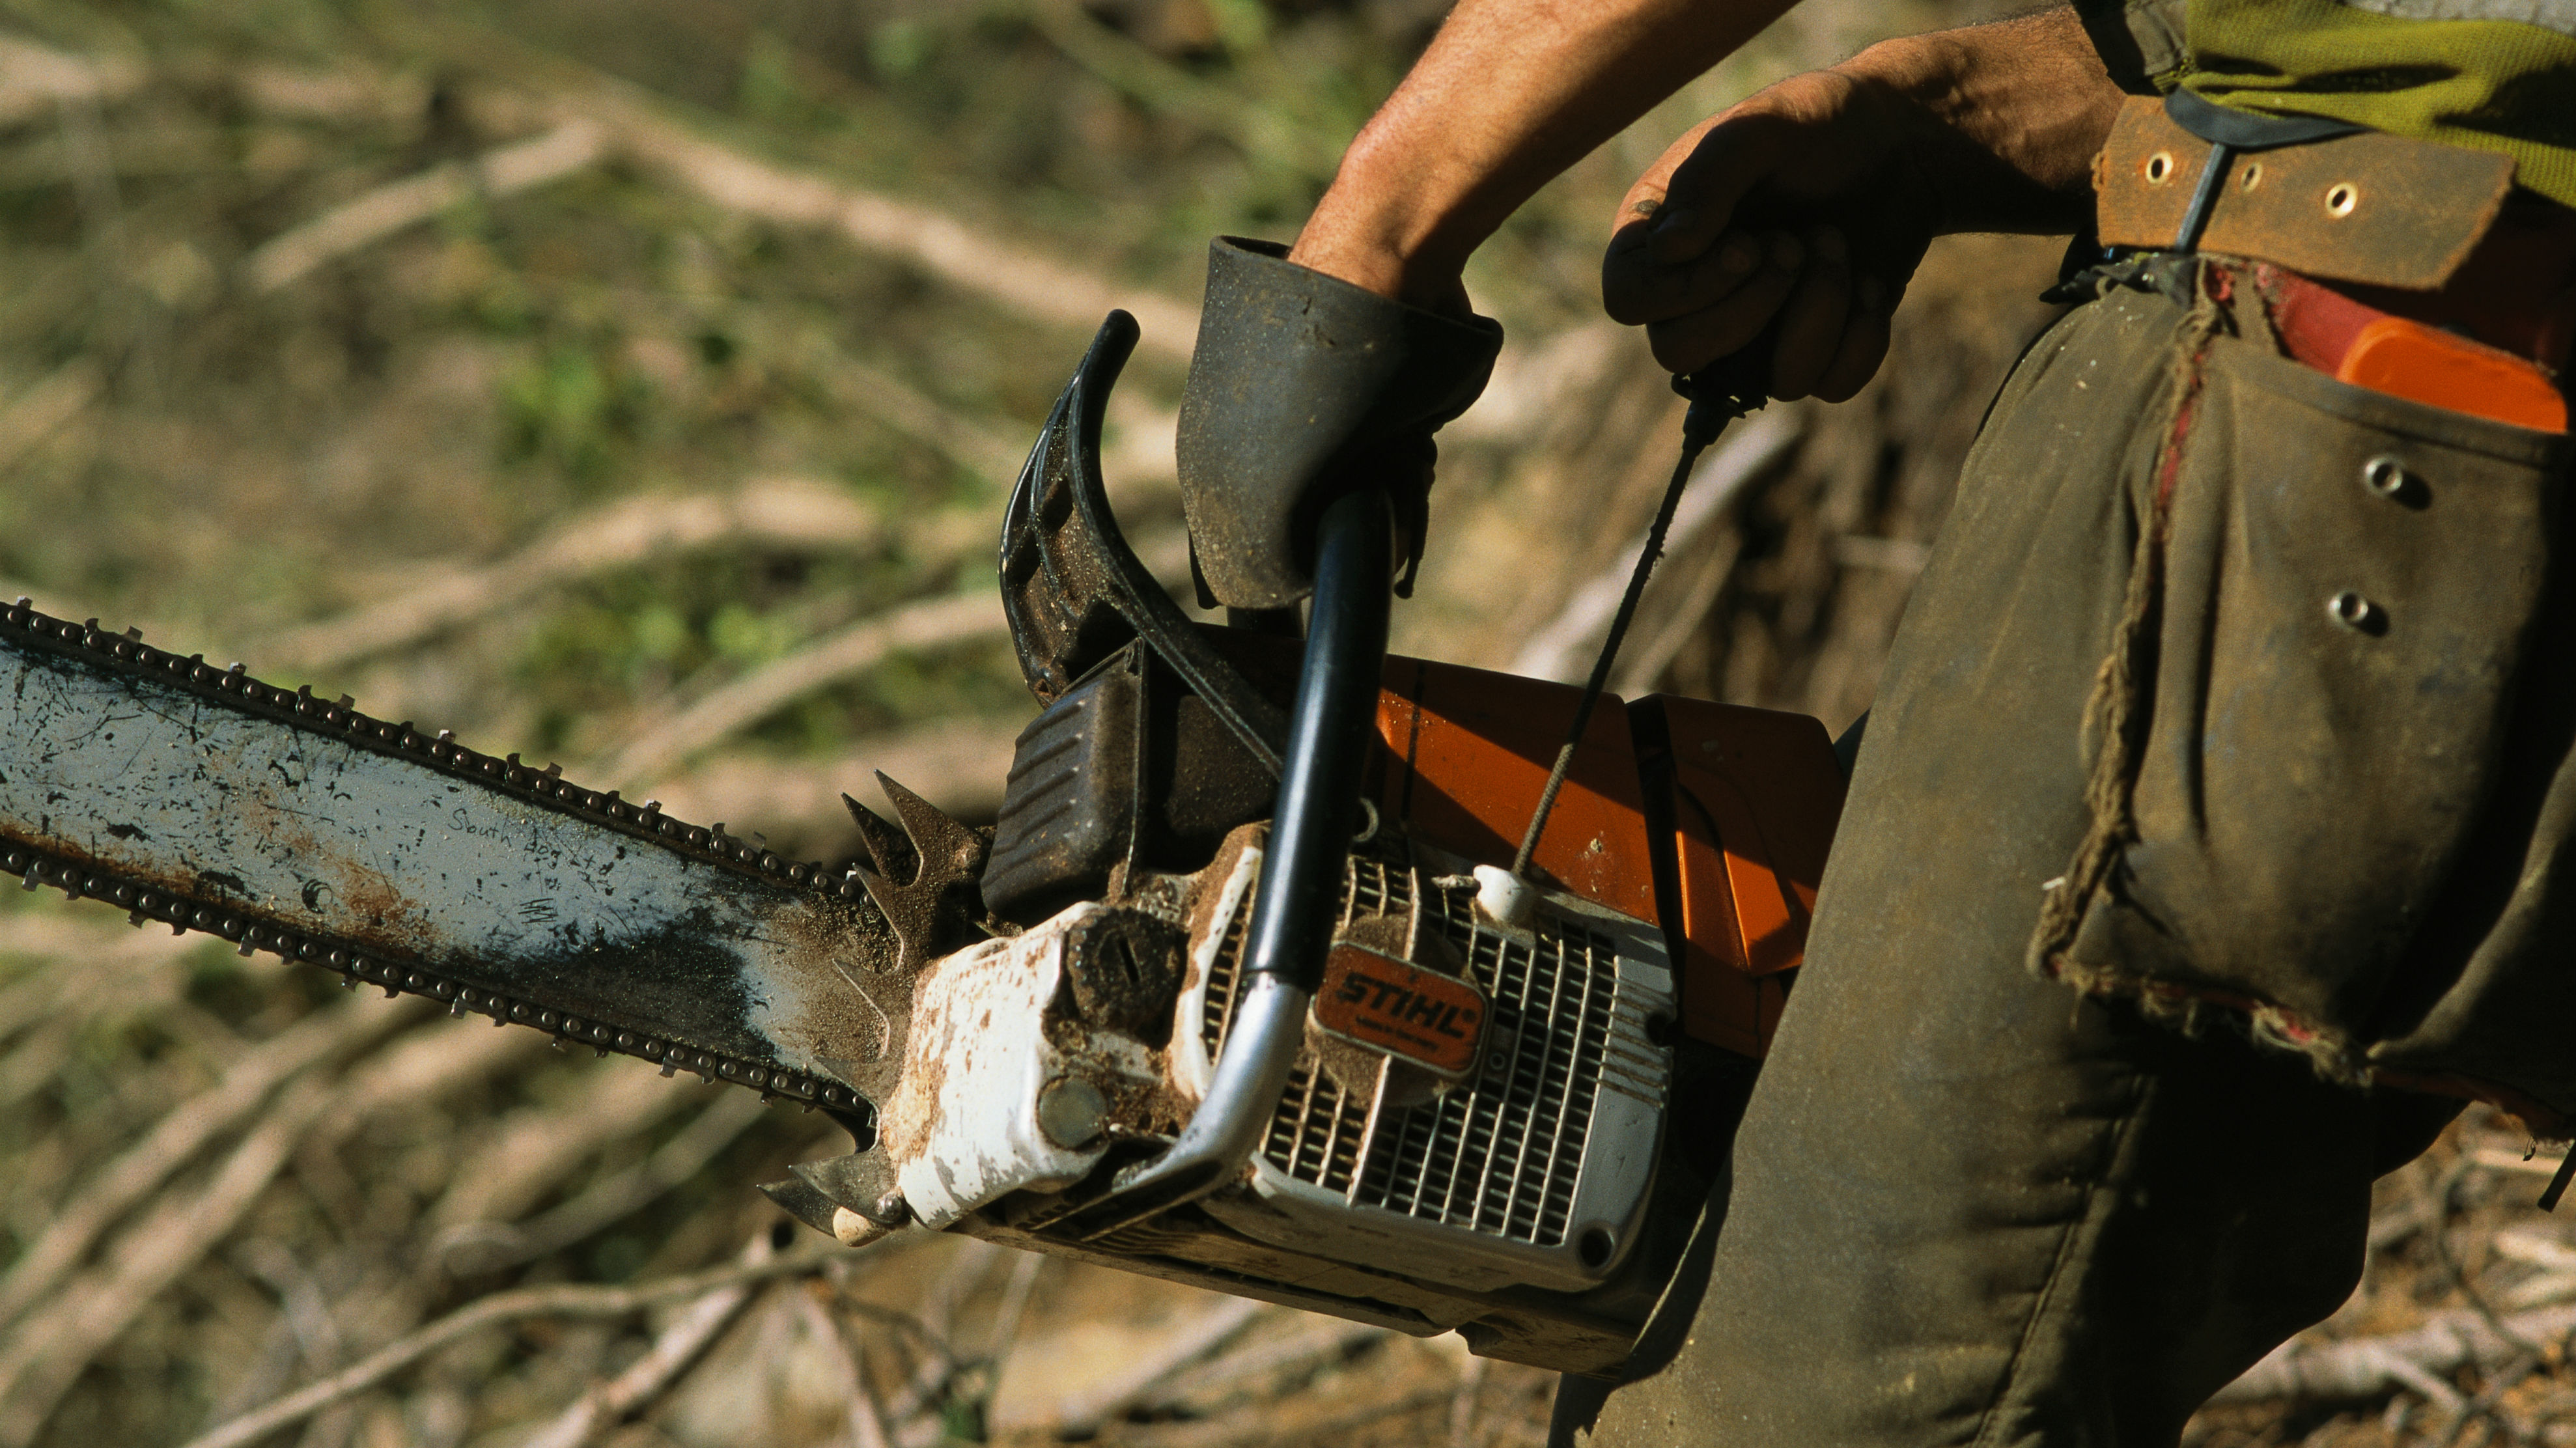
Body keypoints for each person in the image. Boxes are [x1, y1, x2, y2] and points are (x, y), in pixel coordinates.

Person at [1171, 0, 2576, 1441]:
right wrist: (1957, 112)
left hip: (2364, 391)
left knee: (1800, 1400)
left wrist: (1378, 233)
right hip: (2355, 341)